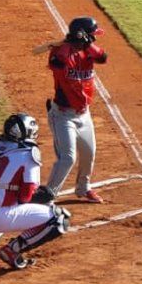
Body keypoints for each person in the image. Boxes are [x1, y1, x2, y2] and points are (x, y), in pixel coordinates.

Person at [0, 113, 72, 270]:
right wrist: (41, 197)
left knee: (6, 200)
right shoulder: (29, 153)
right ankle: (13, 250)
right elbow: (26, 196)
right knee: (59, 218)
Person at [44, 17, 109, 203]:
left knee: (89, 153)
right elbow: (56, 64)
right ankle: (47, 195)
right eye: (92, 36)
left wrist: (86, 45)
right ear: (82, 35)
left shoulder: (88, 52)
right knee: (67, 158)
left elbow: (103, 58)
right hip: (63, 115)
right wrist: (68, 47)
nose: (94, 39)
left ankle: (83, 188)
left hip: (83, 114)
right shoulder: (60, 54)